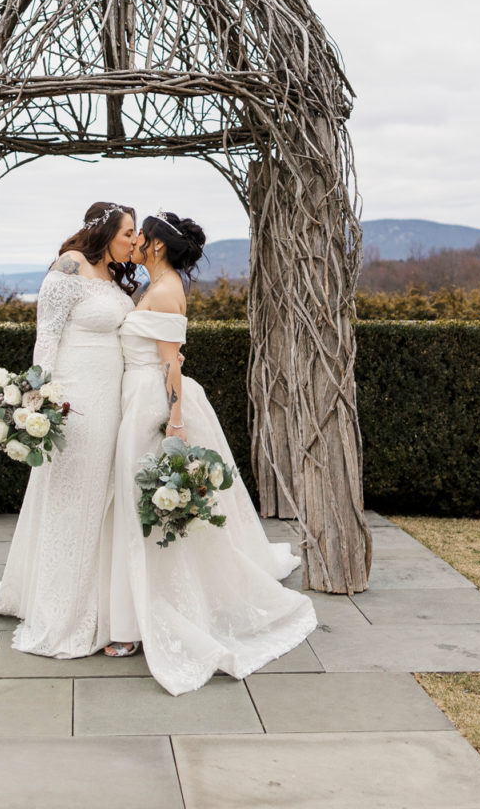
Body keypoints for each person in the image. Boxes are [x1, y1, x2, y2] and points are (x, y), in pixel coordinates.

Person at [102, 210, 318, 693]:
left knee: (148, 509)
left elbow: (169, 368)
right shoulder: (155, 284)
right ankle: (132, 610)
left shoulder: (164, 291)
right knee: (140, 508)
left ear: (156, 246)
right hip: (137, 397)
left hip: (152, 405)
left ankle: (145, 619)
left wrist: (174, 424)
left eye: (142, 236)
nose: (135, 241)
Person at [0, 202, 137, 656]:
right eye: (127, 233)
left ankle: (103, 601)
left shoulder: (115, 276)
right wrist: (41, 397)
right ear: (103, 233)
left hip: (111, 396)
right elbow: (48, 334)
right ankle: (64, 610)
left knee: (102, 496)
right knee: (74, 497)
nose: (133, 241)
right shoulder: (71, 264)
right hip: (77, 398)